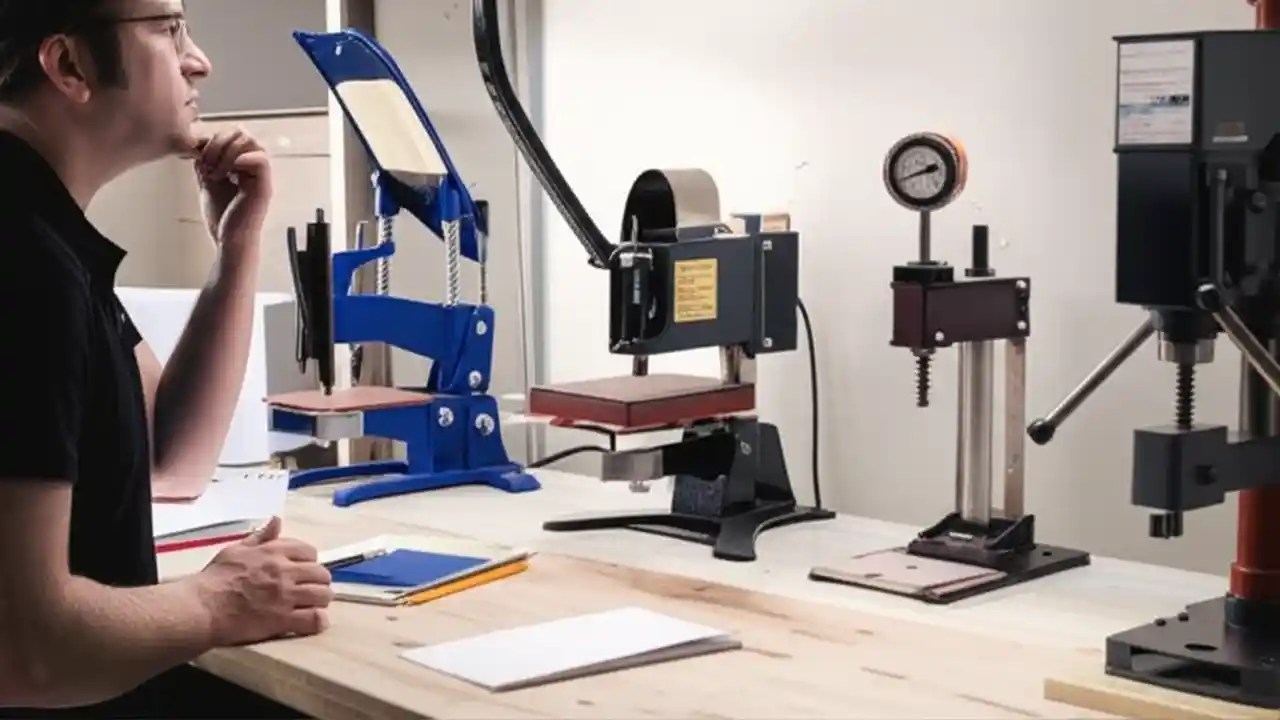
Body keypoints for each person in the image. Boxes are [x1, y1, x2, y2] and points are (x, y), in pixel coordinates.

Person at [0, 1, 334, 716]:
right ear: (69, 65)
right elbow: (23, 649)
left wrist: (236, 245)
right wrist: (215, 602)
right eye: (168, 28)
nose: (199, 60)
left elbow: (170, 455)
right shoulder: (23, 263)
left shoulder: (47, 233)